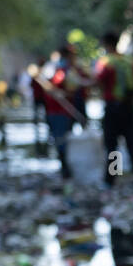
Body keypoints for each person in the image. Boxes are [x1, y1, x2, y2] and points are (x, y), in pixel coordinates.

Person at [94, 30, 133, 186]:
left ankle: (112, 179)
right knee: (131, 143)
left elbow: (98, 82)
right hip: (129, 106)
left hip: (112, 108)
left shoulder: (105, 62)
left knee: (112, 145)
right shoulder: (131, 61)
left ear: (106, 44)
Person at [42, 46, 83, 178]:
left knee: (62, 140)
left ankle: (66, 169)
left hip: (62, 111)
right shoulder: (61, 71)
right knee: (60, 140)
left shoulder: (64, 70)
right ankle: (65, 170)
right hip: (58, 111)